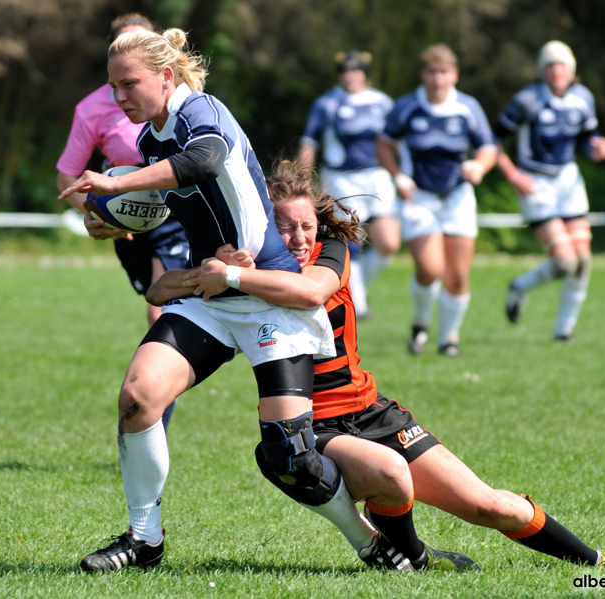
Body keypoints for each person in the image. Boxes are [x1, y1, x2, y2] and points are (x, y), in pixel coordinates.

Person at [163, 159, 605, 573]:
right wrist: (207, 274)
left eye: (305, 225)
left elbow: (309, 290)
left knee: (488, 505)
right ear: (265, 226)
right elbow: (159, 290)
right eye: (284, 226)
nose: (296, 236)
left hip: (373, 411)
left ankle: (600, 561)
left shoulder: (329, 252)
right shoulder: (243, 264)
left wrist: (230, 275)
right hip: (312, 428)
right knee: (392, 475)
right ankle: (417, 561)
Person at [58, 28, 374, 574]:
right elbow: (168, 199)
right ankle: (144, 540)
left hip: (265, 293)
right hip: (211, 292)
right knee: (138, 398)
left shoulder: (202, 111)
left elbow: (203, 162)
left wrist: (113, 186)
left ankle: (372, 544)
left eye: (129, 83)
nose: (120, 97)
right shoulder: (151, 142)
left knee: (291, 455)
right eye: (113, 87)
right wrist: (112, 220)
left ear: (165, 76)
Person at [56, 13, 187, 431]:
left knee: (161, 312)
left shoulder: (184, 97)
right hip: (128, 223)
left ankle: (151, 423)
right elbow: (67, 176)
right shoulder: (92, 107)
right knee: (152, 300)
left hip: (177, 215)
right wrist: (96, 215)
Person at [376, 44, 497, 357]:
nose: (438, 79)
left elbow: (488, 148)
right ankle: (420, 322)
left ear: (454, 74)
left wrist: (479, 166)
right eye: (432, 72)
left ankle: (448, 338)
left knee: (457, 276)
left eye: (443, 72)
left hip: (458, 197)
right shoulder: (406, 107)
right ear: (423, 75)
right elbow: (384, 144)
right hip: (419, 198)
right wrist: (398, 176)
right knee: (430, 268)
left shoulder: (467, 107)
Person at [495, 41, 605, 341]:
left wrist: (598, 147)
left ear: (571, 70)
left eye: (561, 65)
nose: (556, 71)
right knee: (564, 261)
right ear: (542, 70)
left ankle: (564, 330)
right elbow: (491, 141)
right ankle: (519, 287)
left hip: (568, 182)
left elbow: (588, 136)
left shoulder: (583, 98)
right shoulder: (527, 101)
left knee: (583, 260)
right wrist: (512, 174)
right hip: (535, 183)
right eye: (550, 65)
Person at [299, 50, 400, 320]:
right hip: (342, 178)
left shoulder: (383, 102)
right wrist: (301, 181)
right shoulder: (327, 103)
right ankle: (359, 303)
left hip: (377, 177)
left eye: (356, 71)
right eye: (345, 72)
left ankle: (359, 285)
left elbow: (396, 142)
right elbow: (310, 143)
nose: (350, 76)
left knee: (389, 242)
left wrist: (403, 174)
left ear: (365, 74)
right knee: (350, 242)